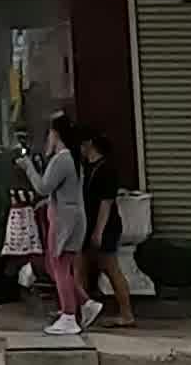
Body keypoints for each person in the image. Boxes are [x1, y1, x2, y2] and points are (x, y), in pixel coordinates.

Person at [22, 110, 94, 338]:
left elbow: (43, 187)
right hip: (71, 219)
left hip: (65, 221)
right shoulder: (72, 158)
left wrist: (27, 168)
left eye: (49, 134)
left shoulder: (62, 159)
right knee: (57, 266)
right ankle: (84, 303)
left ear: (55, 134)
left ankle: (69, 316)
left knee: (60, 267)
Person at [79, 123, 134, 329]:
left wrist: (98, 231)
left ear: (90, 144)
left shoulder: (106, 168)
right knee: (81, 267)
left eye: (82, 145)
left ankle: (126, 313)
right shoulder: (88, 167)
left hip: (105, 225)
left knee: (111, 268)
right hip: (90, 224)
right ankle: (82, 309)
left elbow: (106, 202)